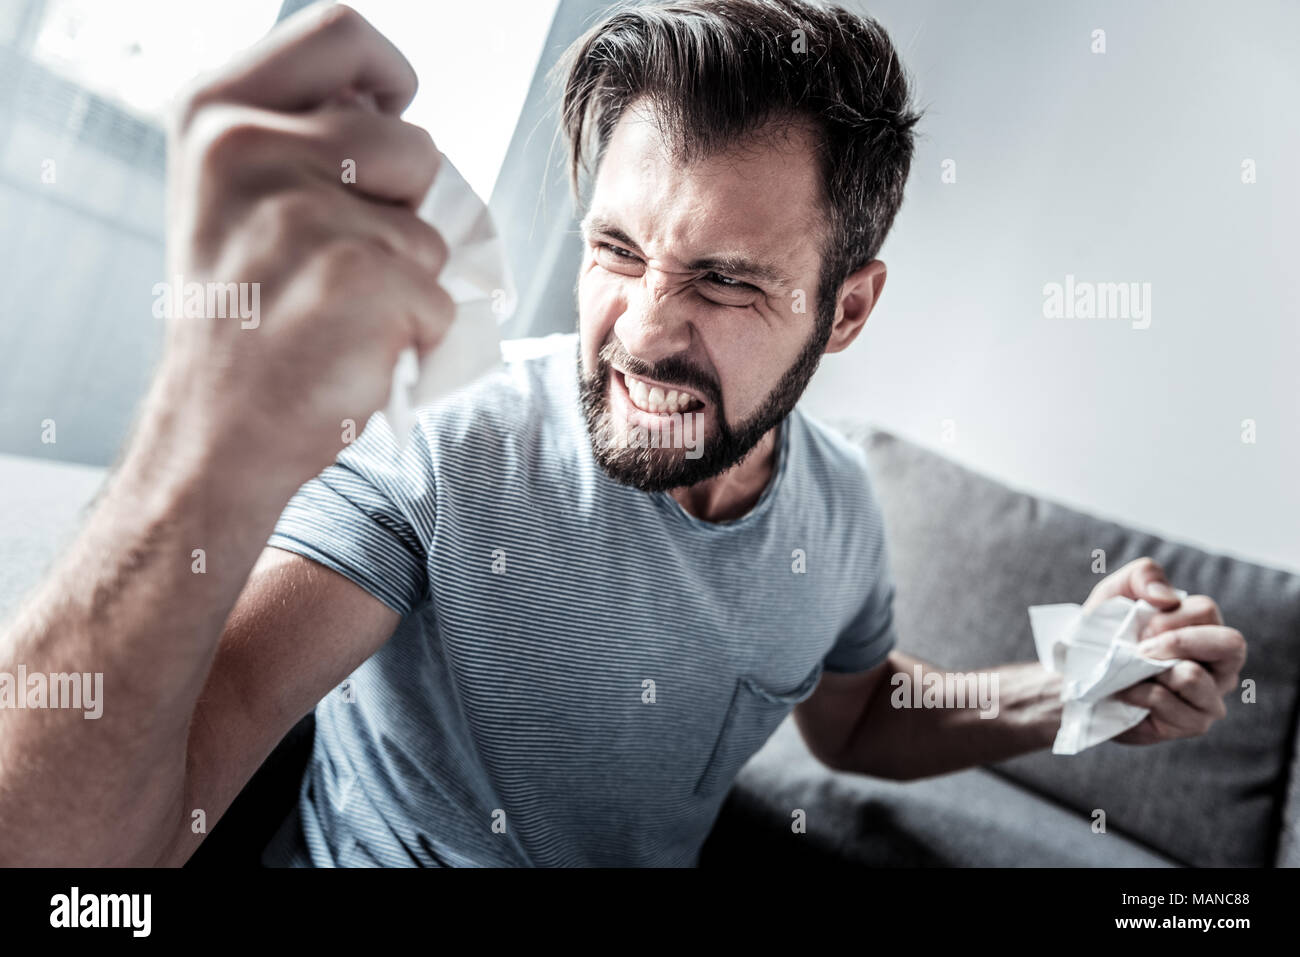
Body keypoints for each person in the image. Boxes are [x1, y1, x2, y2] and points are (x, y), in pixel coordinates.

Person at [0, 0, 1245, 867]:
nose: (639, 334)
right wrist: (200, 439)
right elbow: (91, 858)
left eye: (725, 281)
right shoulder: (440, 451)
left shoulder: (840, 509)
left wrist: (1075, 684)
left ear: (847, 307)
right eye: (615, 250)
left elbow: (855, 716)